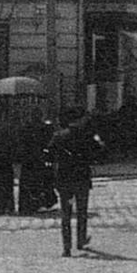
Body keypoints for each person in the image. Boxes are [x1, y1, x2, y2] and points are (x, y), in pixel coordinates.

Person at [46, 108, 105, 257]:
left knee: (66, 213)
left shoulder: (59, 135)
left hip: (64, 178)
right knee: (81, 211)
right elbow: (98, 153)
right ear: (78, 120)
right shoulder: (86, 136)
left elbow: (49, 154)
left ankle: (66, 247)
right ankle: (81, 240)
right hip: (81, 178)